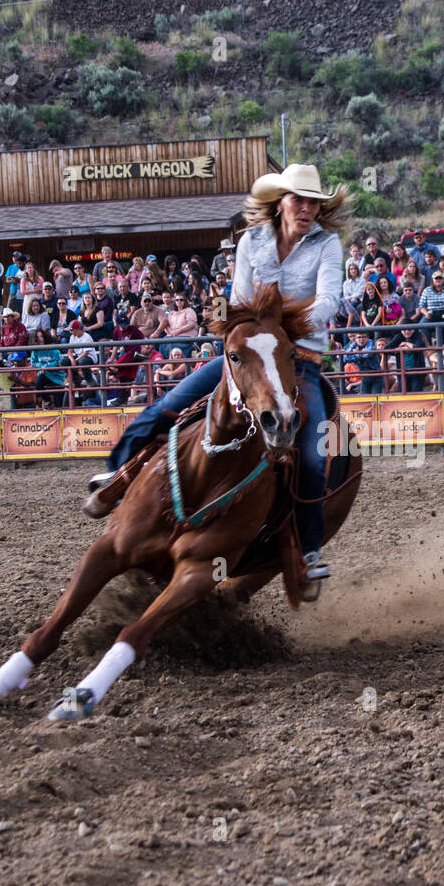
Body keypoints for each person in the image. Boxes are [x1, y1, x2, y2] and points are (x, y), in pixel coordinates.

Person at [91, 164, 345, 590]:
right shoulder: (251, 241)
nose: (306, 208)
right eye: (298, 200)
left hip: (297, 360)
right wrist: (230, 321)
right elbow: (236, 299)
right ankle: (118, 478)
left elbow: (329, 300)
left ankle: (308, 549)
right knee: (165, 408)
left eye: (313, 202)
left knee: (316, 456)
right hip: (247, 357)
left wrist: (279, 328)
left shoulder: (328, 244)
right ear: (280, 202)